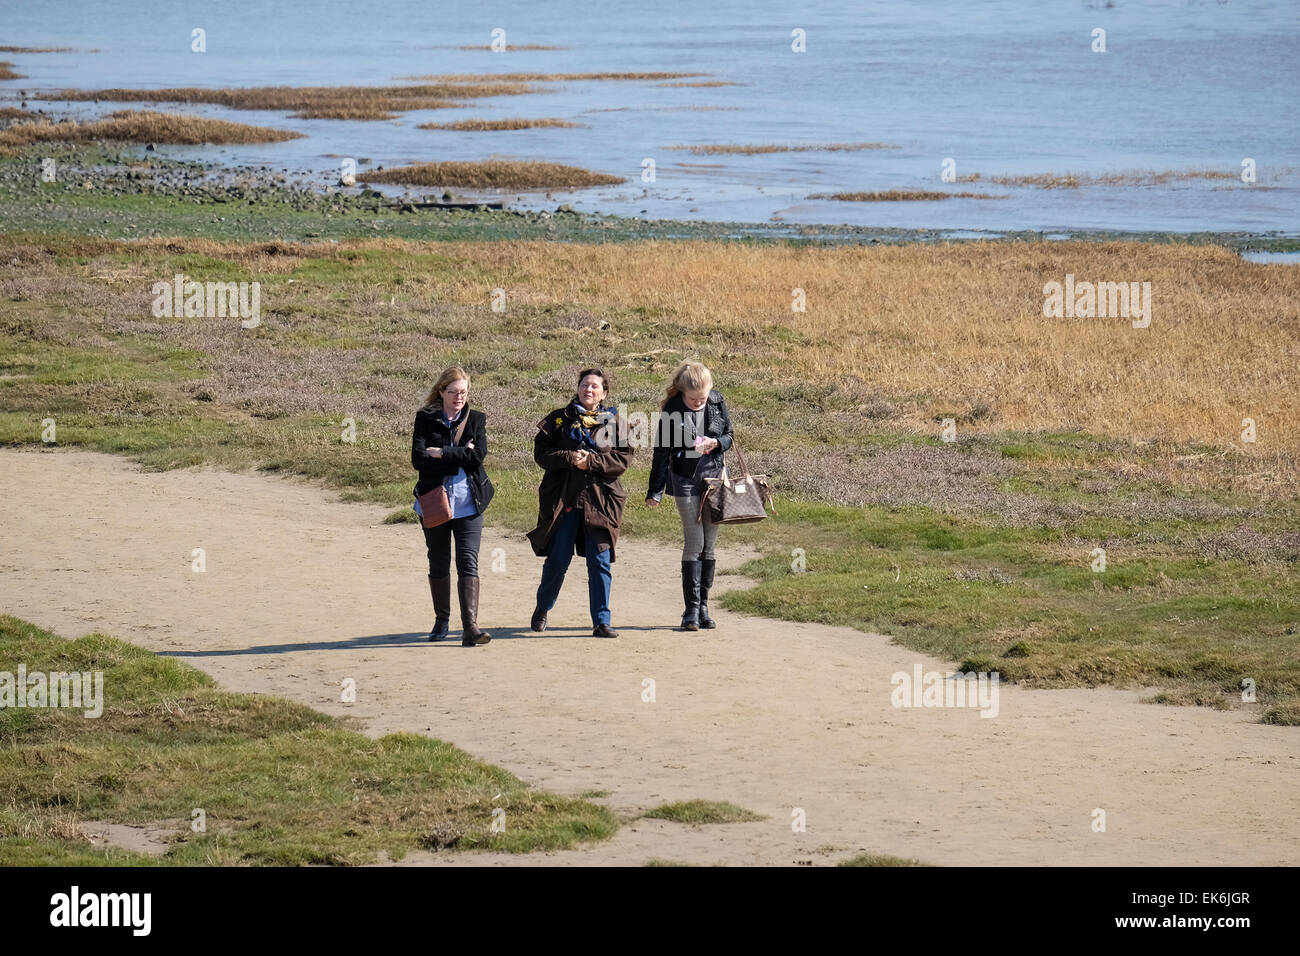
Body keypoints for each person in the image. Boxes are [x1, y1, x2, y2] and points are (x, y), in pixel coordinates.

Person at [527, 368, 633, 638]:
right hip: (565, 502)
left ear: (604, 393)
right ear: (577, 388)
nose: (589, 390)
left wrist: (592, 461)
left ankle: (601, 621)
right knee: (557, 561)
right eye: (585, 385)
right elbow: (541, 454)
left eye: (595, 386)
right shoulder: (558, 419)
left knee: (600, 561)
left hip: (600, 502)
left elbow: (622, 461)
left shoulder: (616, 422)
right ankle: (542, 608)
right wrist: (569, 457)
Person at [645, 361, 733, 631]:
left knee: (710, 545)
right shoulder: (671, 410)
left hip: (714, 478)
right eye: (693, 399)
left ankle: (704, 606)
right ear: (683, 391)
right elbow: (661, 454)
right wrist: (655, 491)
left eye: (702, 399)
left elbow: (730, 436)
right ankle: (690, 611)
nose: (698, 403)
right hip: (684, 479)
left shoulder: (717, 401)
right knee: (695, 541)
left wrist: (716, 443)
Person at [411, 366, 495, 646]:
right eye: (454, 392)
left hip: (469, 502)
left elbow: (477, 458)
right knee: (438, 561)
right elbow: (419, 460)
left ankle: (470, 627)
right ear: (441, 391)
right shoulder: (425, 418)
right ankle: (441, 621)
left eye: (464, 392)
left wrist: (443, 452)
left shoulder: (476, 420)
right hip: (434, 500)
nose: (460, 397)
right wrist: (461, 454)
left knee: (468, 561)